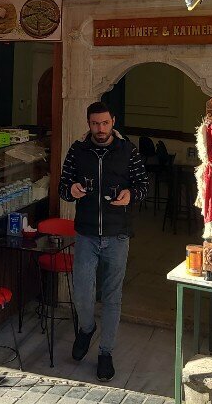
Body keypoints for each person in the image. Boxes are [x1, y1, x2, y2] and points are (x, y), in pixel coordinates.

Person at [58, 101, 148, 382]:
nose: (100, 129)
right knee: (83, 293)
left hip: (118, 234)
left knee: (112, 297)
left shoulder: (128, 151)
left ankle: (105, 353)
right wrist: (71, 190)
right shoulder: (77, 150)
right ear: (88, 124)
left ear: (113, 122)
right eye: (95, 123)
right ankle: (86, 329)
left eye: (105, 123)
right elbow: (63, 187)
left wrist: (130, 195)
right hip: (86, 234)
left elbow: (143, 185)